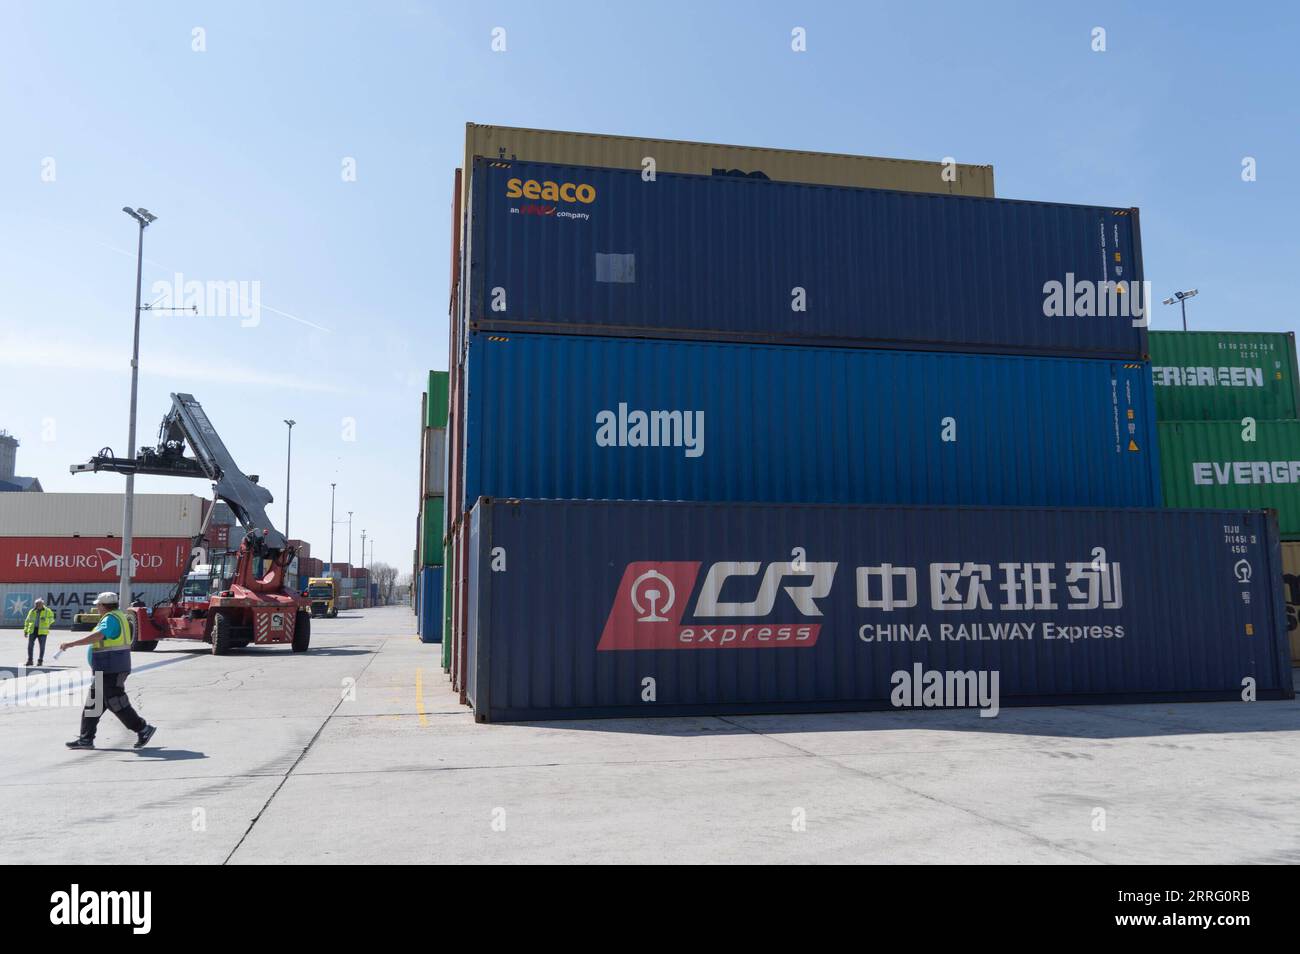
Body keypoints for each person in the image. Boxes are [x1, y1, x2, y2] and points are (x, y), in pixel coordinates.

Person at [58, 592, 157, 750]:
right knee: (93, 705)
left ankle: (143, 729)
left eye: (98, 605)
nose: (97, 607)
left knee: (116, 703)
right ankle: (86, 739)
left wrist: (72, 643)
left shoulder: (111, 618)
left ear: (104, 606)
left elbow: (98, 636)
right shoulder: (116, 615)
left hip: (112, 668)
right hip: (105, 668)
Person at [23, 597, 55, 667]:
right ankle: (30, 660)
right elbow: (27, 621)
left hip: (42, 631)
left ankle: (40, 661)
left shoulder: (48, 611)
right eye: (36, 604)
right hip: (33, 630)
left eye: (39, 604)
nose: (37, 605)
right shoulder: (32, 611)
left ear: (42, 604)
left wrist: (45, 620)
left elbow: (52, 619)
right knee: (30, 646)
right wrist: (25, 631)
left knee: (42, 647)